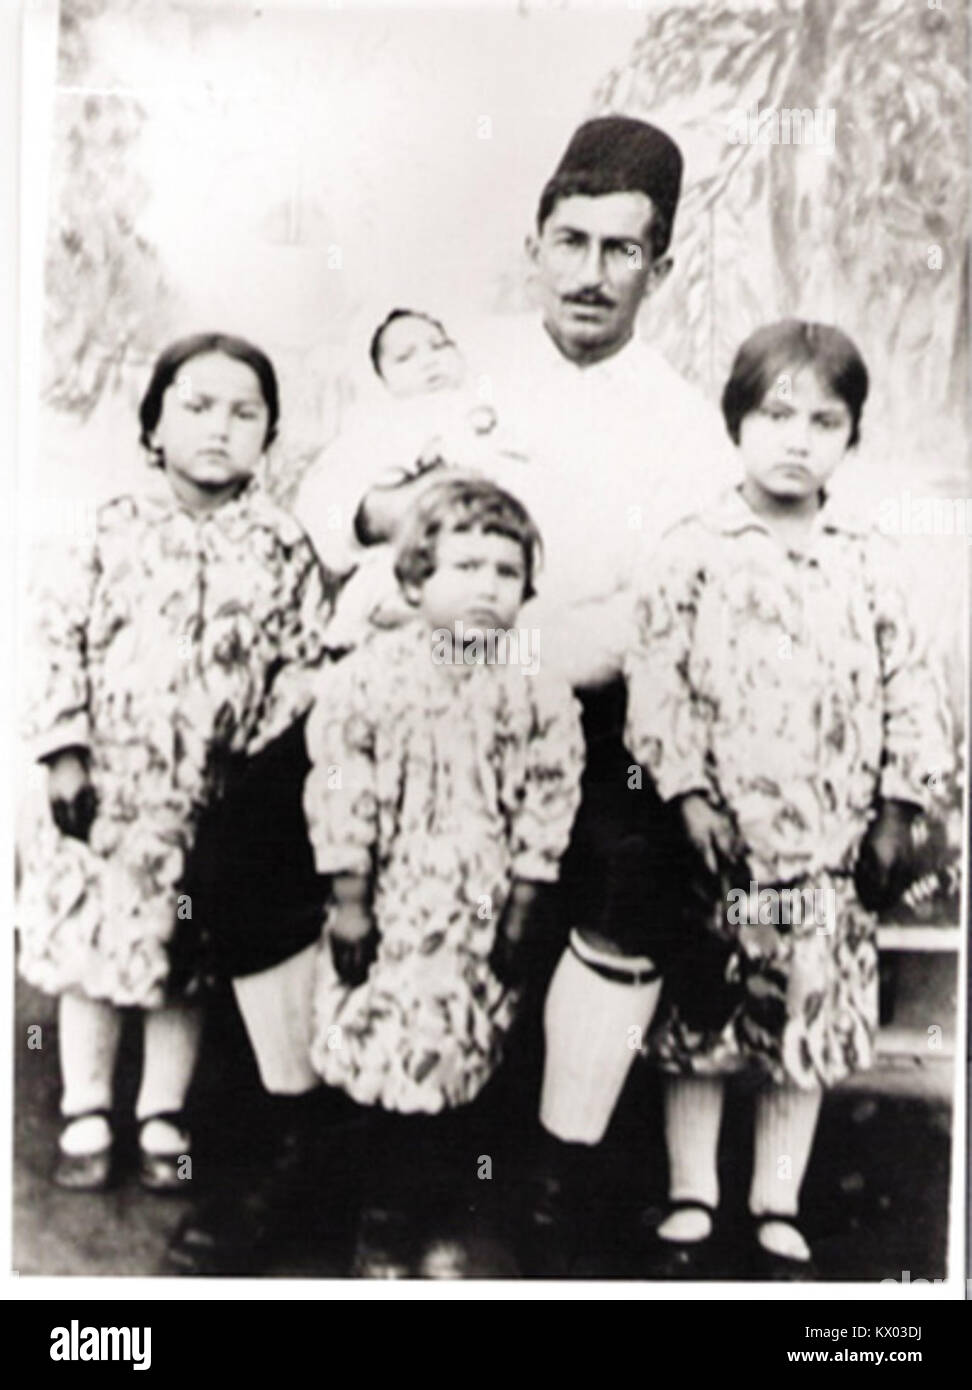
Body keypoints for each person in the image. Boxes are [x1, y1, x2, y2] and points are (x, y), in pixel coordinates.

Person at [622, 320, 953, 1274]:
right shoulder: (692, 549)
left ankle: (776, 1199)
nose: (797, 437)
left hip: (828, 851)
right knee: (706, 1017)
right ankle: (693, 1189)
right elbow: (658, 683)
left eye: (825, 419)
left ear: (851, 437)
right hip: (724, 840)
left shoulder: (873, 557)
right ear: (736, 420)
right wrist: (684, 794)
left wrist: (899, 810)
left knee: (801, 1020)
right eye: (776, 413)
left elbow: (913, 691)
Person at [464, 116, 736, 1269]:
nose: (588, 274)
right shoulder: (460, 370)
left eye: (621, 250)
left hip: (592, 704)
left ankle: (554, 1168)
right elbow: (360, 515)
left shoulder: (684, 426)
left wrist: (527, 655)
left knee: (640, 862)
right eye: (568, 240)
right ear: (534, 243)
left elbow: (658, 614)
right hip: (440, 680)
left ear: (659, 269)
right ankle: (326, 1143)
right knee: (279, 811)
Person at [18, 332, 332, 1203]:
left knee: (182, 953)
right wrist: (65, 749)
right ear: (153, 424)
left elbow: (306, 664)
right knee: (93, 943)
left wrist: (260, 763)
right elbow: (50, 639)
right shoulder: (104, 527)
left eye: (244, 413)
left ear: (269, 435)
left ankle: (163, 1112)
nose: (219, 429)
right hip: (108, 791)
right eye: (195, 407)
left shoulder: (279, 545)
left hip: (211, 794)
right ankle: (85, 1105)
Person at [302, 476, 584, 1275]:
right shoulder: (368, 676)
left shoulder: (536, 684)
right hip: (390, 904)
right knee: (386, 1055)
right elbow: (338, 782)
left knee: (467, 1057)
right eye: (464, 567)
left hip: (482, 906)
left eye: (505, 570)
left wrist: (530, 889)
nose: (487, 586)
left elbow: (551, 790)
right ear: (415, 580)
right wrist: (349, 896)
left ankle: (450, 1216)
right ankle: (380, 1220)